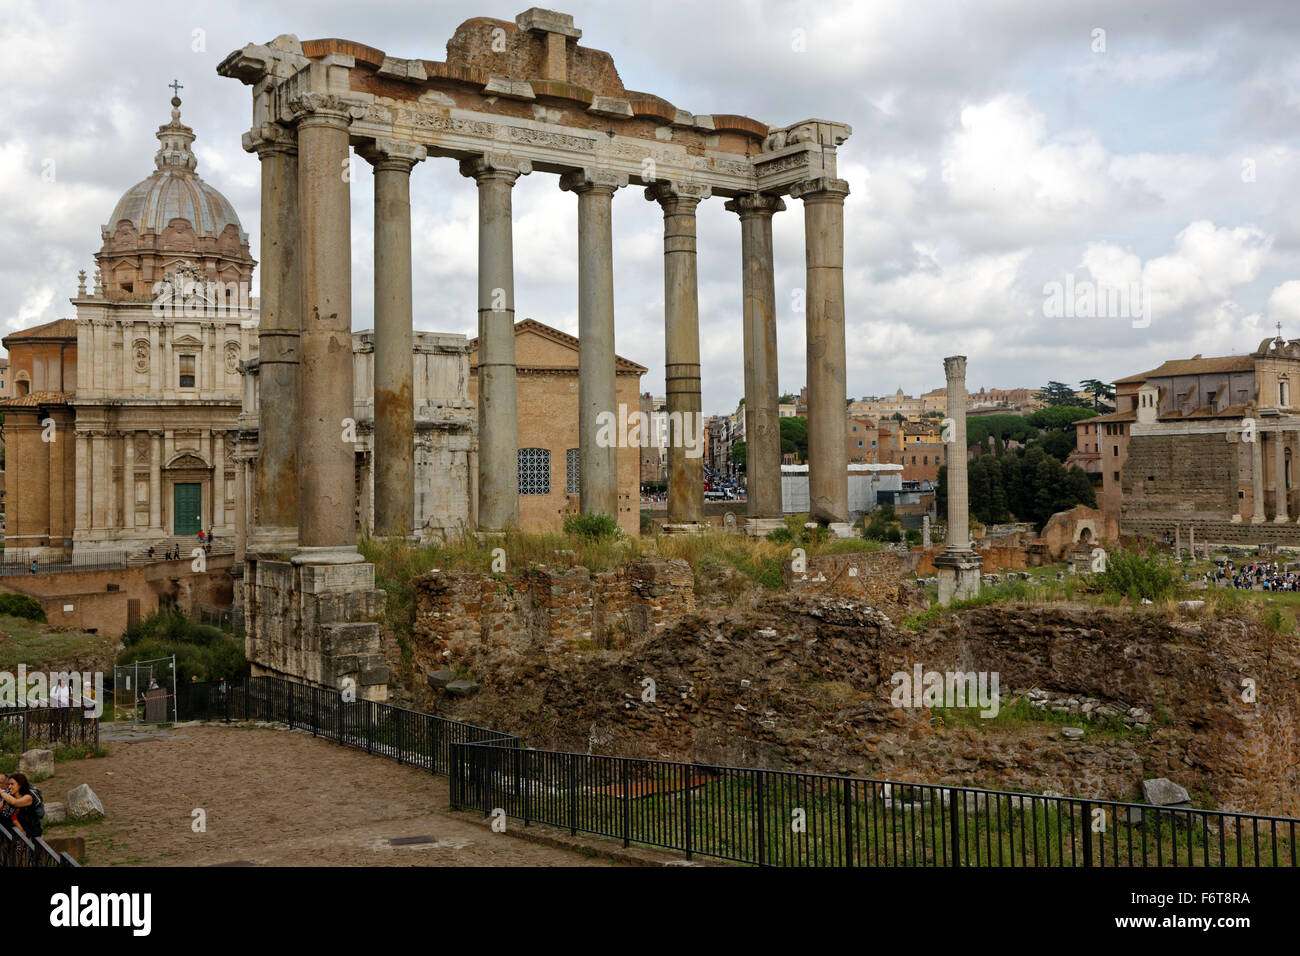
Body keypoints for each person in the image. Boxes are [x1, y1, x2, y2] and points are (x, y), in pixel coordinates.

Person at [1, 773, 42, 840]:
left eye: (12, 784)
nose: (9, 787)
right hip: (13, 833)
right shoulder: (10, 796)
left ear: (20, 785)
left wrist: (1, 791)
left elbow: (14, 802)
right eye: (8, 784)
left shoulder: (29, 797)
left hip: (30, 834)